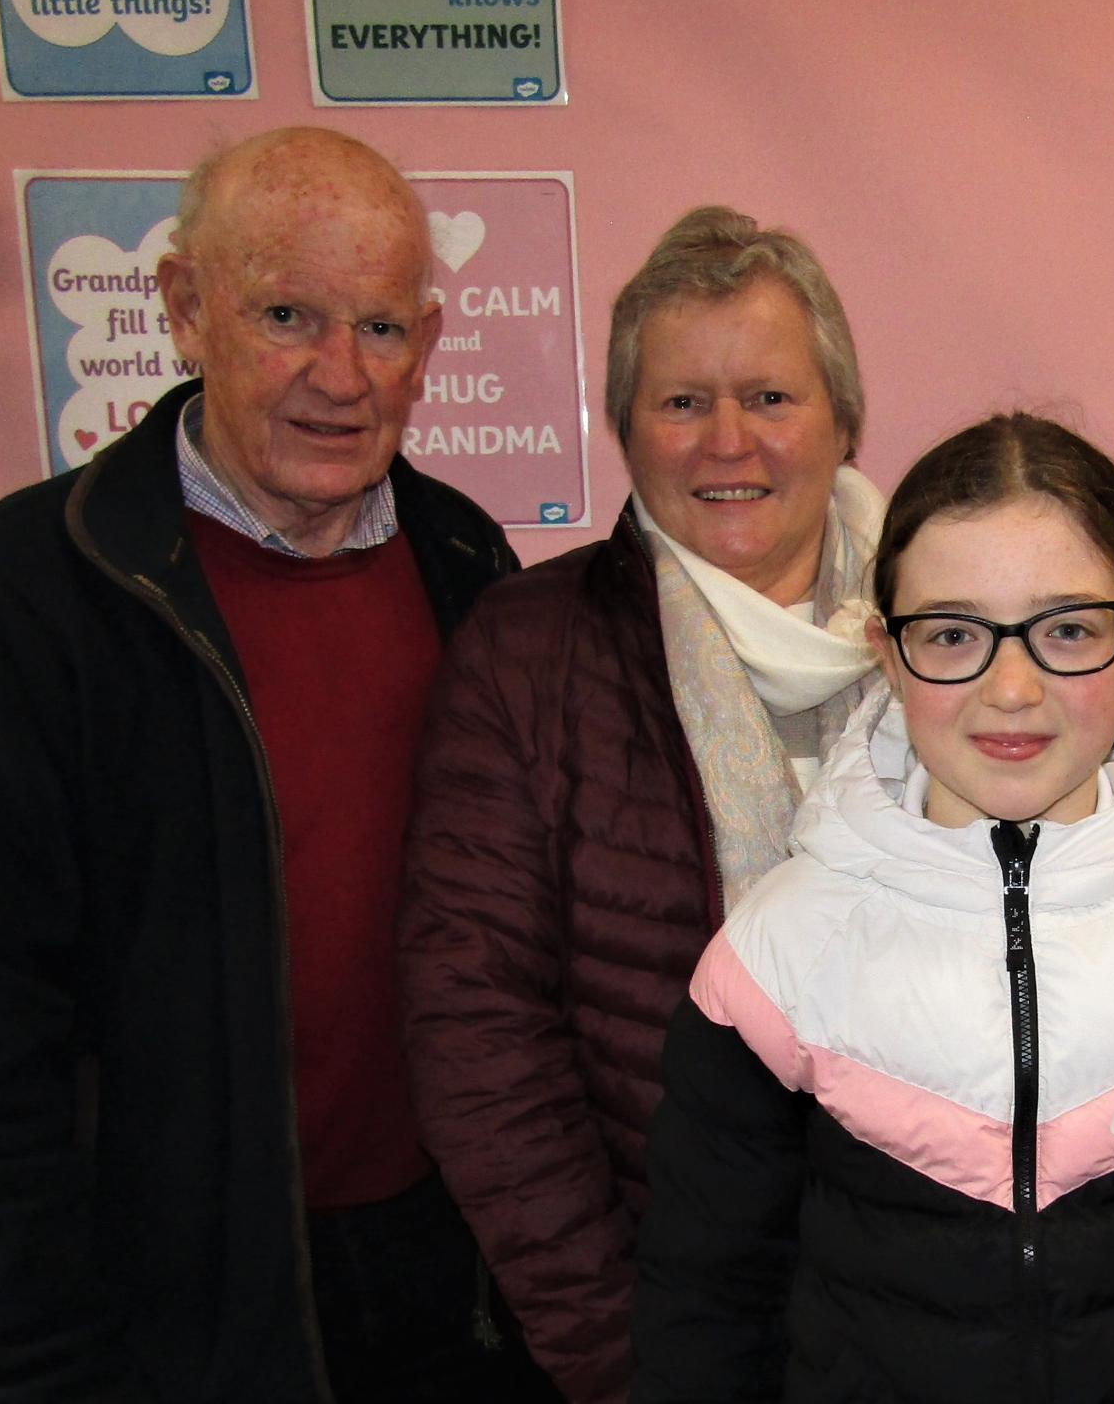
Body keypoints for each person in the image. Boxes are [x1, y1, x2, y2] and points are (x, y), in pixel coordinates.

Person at [0, 127, 550, 1403]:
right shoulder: (25, 595)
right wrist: (53, 1360)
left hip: (450, 1288)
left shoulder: (467, 565)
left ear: (429, 344)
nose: (340, 376)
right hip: (162, 1319)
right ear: (185, 307)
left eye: (382, 328)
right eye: (287, 313)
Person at [633, 413, 1114, 1403]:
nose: (1013, 686)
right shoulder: (776, 957)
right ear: (887, 652)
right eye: (952, 633)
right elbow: (702, 1314)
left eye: (1068, 629)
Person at [398, 205, 885, 1402]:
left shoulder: (952, 632)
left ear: (841, 417)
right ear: (623, 429)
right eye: (681, 402)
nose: (730, 441)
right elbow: (479, 1039)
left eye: (771, 396)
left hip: (932, 1310)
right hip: (664, 1319)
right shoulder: (527, 652)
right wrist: (634, 1359)